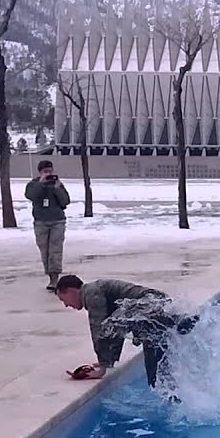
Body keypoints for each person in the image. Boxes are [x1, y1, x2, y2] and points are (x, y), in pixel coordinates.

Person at [54, 275, 198, 389]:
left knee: (112, 324)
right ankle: (172, 396)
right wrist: (107, 361)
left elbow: (99, 329)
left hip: (149, 303)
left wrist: (102, 368)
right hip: (152, 310)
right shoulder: (99, 293)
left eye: (63, 299)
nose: (66, 305)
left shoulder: (91, 292)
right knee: (155, 374)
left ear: (71, 291)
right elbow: (117, 333)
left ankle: (179, 320)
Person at [25, 160, 71, 291]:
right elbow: (31, 196)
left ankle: (55, 278)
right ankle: (50, 275)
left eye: (50, 171)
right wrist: (41, 183)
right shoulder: (33, 184)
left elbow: (65, 202)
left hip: (57, 222)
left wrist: (57, 188)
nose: (48, 174)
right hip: (41, 222)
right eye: (45, 172)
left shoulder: (57, 184)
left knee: (55, 250)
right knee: (44, 250)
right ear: (40, 172)